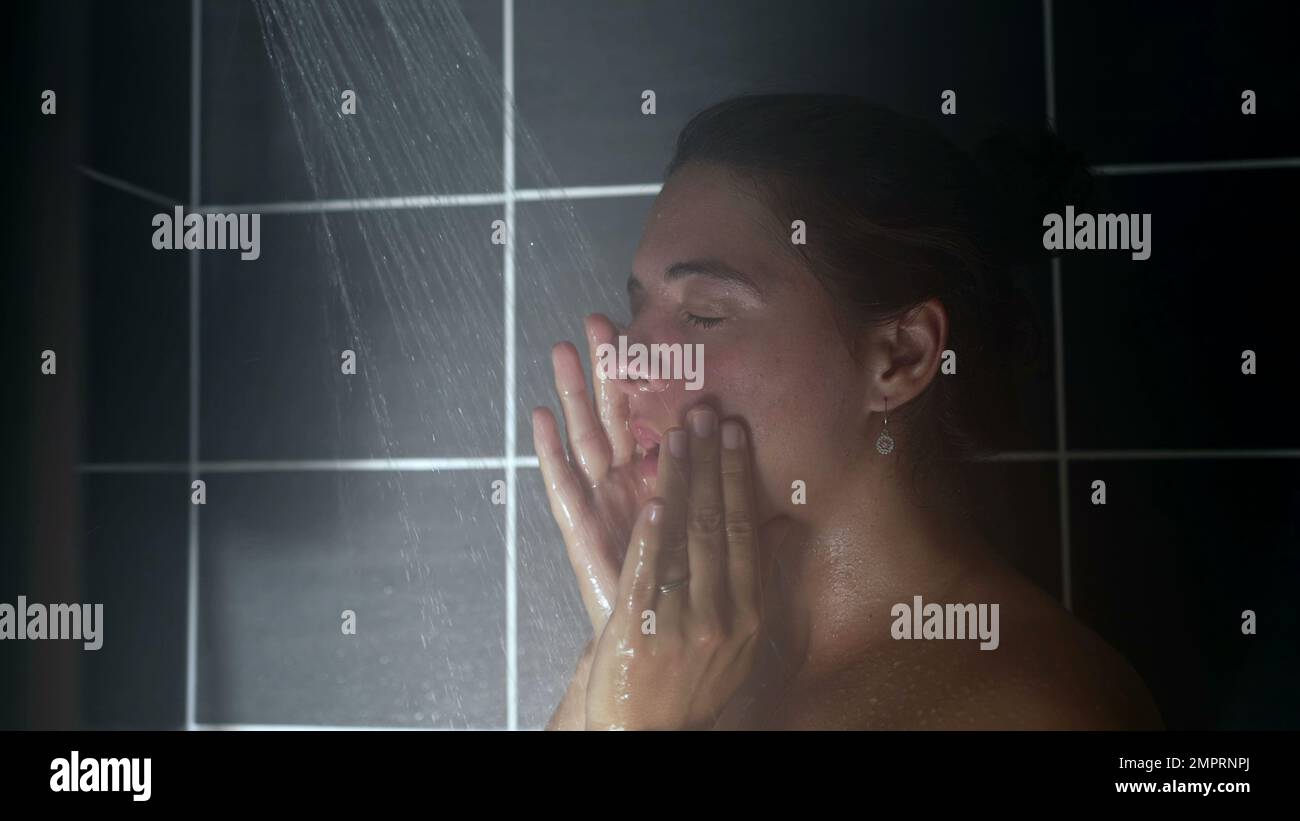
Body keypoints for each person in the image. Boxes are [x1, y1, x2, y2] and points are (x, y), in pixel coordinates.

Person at [531, 93, 1163, 730]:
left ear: (902, 355)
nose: (627, 361)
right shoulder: (683, 677)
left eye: (703, 315)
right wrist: (620, 650)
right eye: (638, 311)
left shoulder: (1038, 713)